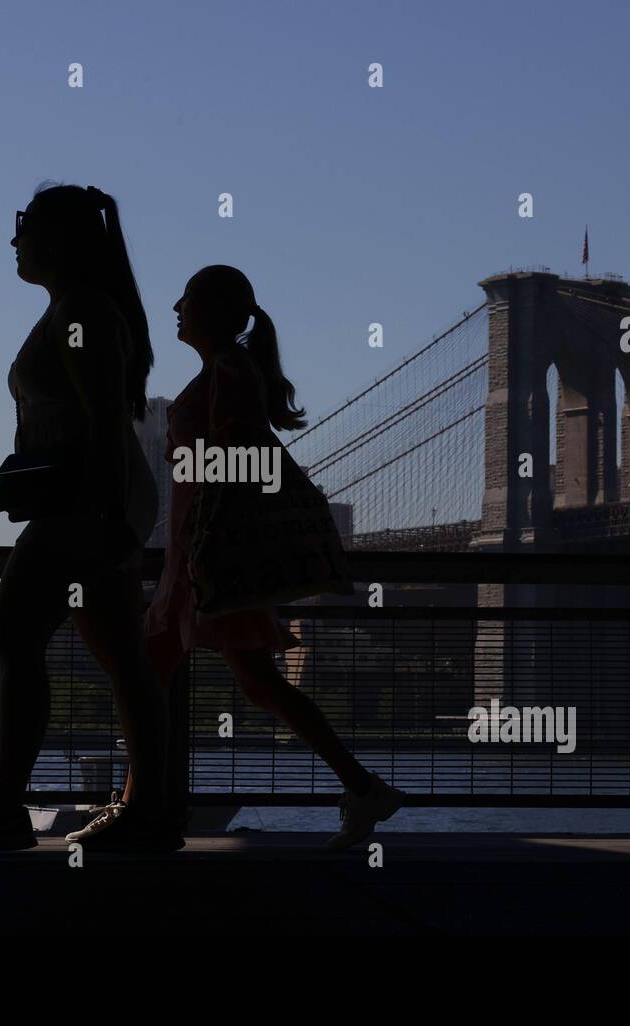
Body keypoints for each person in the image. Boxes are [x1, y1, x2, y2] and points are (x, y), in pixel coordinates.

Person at [78, 264, 406, 850]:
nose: (176, 307)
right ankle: (362, 787)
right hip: (198, 555)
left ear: (215, 313)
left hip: (204, 560)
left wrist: (199, 552)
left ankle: (140, 811)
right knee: (249, 683)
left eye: (188, 299)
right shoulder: (224, 370)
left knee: (149, 675)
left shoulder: (229, 373)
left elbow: (236, 466)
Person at [0, 183, 179, 853]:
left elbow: (101, 418)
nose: (14, 240)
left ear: (60, 238)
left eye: (26, 226)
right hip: (95, 499)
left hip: (87, 500)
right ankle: (146, 811)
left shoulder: (85, 313)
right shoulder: (75, 309)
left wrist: (106, 521)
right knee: (120, 655)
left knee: (21, 637)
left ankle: (13, 809)